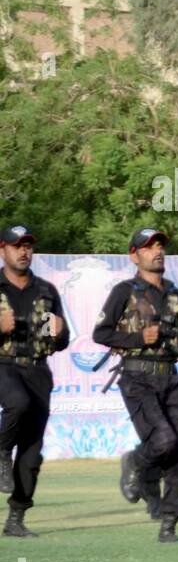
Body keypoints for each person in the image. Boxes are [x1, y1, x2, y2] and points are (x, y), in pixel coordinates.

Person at [93, 228, 178, 543]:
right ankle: (135, 462)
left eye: (160, 245)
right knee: (163, 440)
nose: (157, 251)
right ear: (134, 255)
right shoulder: (123, 291)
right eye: (149, 246)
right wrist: (138, 338)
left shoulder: (174, 293)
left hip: (171, 376)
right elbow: (101, 333)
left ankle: (169, 525)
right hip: (138, 377)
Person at [0, 225, 69, 538]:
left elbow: (58, 341)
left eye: (28, 245)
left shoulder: (46, 290)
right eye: (17, 245)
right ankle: (1, 453)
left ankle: (16, 518)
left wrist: (59, 331)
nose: (23, 251)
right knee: (17, 402)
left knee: (31, 453)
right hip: (3, 364)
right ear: (4, 249)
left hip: (38, 369)